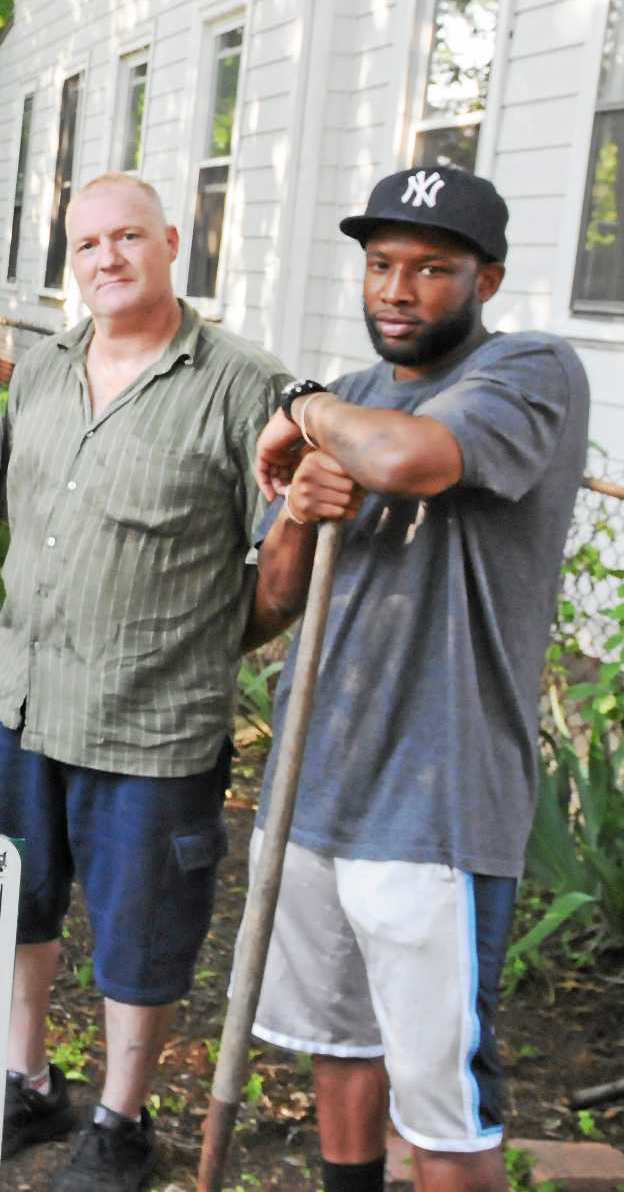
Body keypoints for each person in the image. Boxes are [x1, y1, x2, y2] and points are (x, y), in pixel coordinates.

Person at [245, 167, 589, 1192]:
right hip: (313, 786)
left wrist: (295, 408)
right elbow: (264, 607)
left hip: (434, 805)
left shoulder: (530, 371)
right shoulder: (344, 400)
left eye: (430, 269)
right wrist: (301, 510)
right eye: (380, 264)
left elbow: (409, 459)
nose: (395, 290)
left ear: (484, 277)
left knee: (441, 1112)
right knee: (335, 1050)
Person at [0, 172, 290, 1191]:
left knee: (142, 933)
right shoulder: (45, 370)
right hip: (17, 695)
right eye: (86, 242)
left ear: (171, 242)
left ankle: (119, 1119)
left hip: (150, 721)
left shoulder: (242, 384)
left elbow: (276, 573)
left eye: (125, 237)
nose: (104, 257)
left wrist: (194, 647)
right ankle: (26, 1079)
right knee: (16, 900)